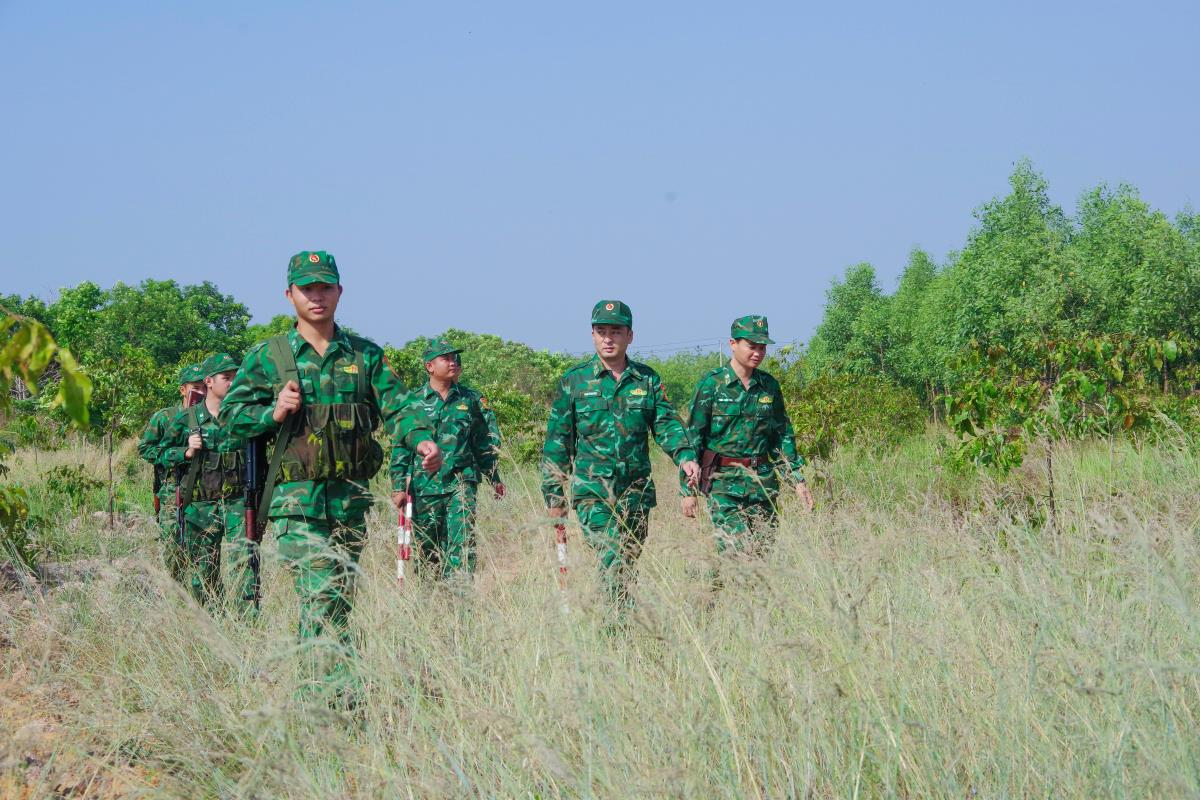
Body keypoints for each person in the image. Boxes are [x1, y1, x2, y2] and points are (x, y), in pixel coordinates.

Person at [219, 250, 441, 698]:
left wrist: (421, 439)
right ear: (289, 295)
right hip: (295, 504)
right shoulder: (269, 357)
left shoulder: (364, 356)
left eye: (325, 287)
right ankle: (338, 699)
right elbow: (231, 417)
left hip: (350, 501)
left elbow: (399, 407)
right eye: (307, 289)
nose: (316, 297)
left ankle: (309, 695)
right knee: (322, 590)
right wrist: (272, 412)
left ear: (340, 291)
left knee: (335, 599)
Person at [542, 300, 700, 609]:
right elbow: (558, 443)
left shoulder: (647, 380)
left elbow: (666, 423)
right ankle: (615, 632)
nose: (608, 338)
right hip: (593, 493)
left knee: (626, 562)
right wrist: (553, 495)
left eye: (616, 331)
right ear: (592, 335)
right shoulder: (574, 382)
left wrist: (684, 455)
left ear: (630, 335)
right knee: (612, 557)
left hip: (636, 493)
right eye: (601, 331)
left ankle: (621, 627)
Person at [680, 315, 814, 563]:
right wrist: (687, 491)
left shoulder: (769, 386)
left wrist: (797, 480)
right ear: (733, 343)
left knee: (762, 557)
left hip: (762, 485)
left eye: (762, 347)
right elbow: (693, 438)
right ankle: (719, 595)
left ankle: (749, 600)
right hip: (723, 485)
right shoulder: (712, 384)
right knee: (736, 553)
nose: (758, 353)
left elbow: (782, 436)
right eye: (751, 346)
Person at [390, 337, 504, 581]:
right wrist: (398, 487)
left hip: (461, 483)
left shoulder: (469, 399)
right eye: (446, 358)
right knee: (428, 549)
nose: (453, 362)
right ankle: (432, 606)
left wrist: (494, 477)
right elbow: (401, 445)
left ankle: (461, 602)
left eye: (454, 358)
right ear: (430, 366)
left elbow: (482, 441)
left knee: (463, 544)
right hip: (424, 486)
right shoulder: (414, 401)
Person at [157, 353, 256, 612]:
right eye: (226, 378)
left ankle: (247, 628)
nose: (233, 383)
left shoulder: (244, 417)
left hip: (238, 503)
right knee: (201, 572)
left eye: (236, 378)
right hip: (200, 506)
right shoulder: (186, 419)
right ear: (209, 381)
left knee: (244, 567)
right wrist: (185, 452)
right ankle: (210, 623)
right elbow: (158, 454)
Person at [138, 362, 207, 582]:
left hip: (205, 491)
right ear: (183, 389)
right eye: (195, 387)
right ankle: (176, 594)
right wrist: (182, 453)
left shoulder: (212, 415)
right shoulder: (165, 417)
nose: (201, 392)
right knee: (172, 547)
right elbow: (146, 450)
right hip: (172, 489)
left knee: (203, 549)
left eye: (204, 386)